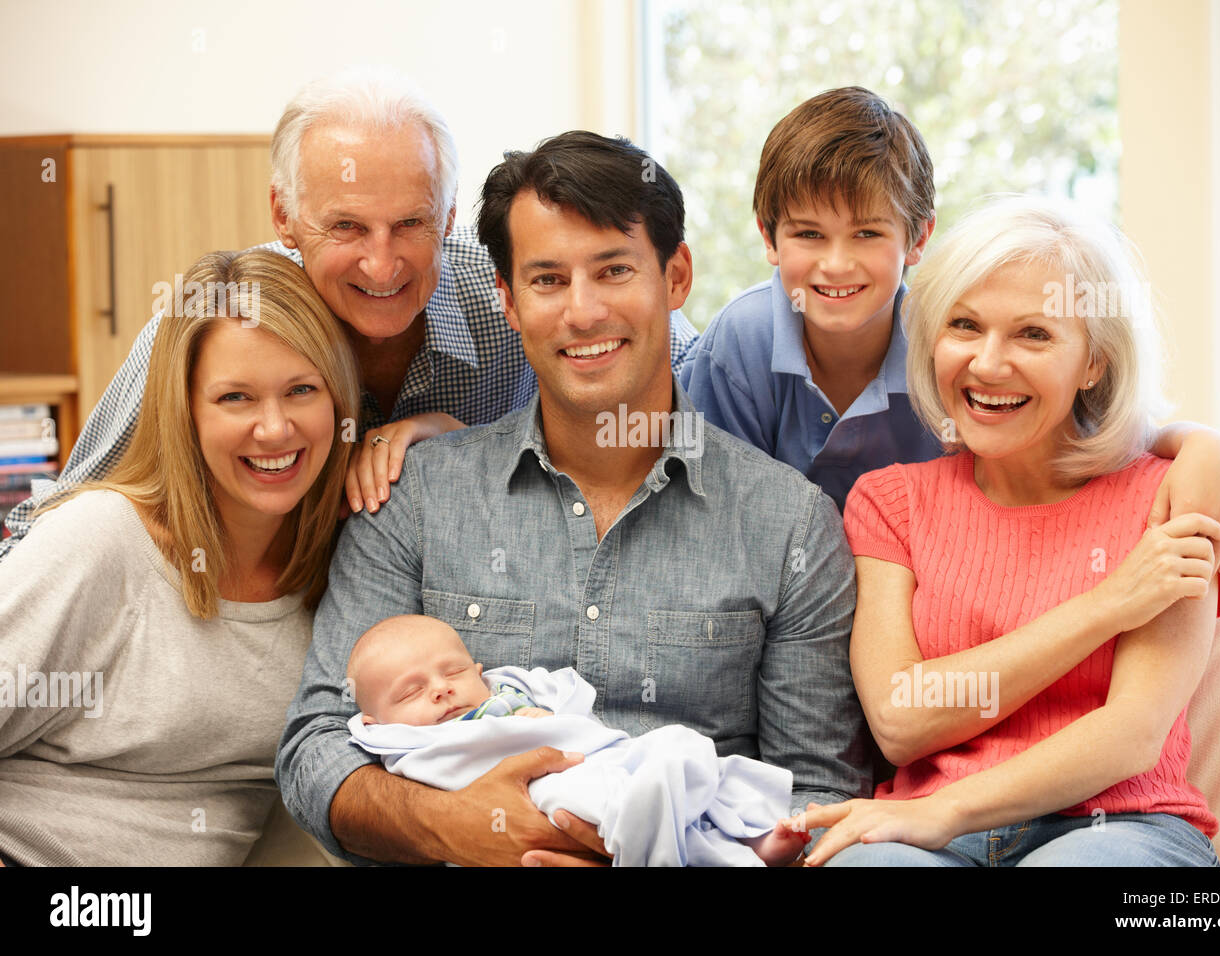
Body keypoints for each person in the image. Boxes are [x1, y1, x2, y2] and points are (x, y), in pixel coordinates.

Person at [276, 130, 870, 868]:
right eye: (548, 280)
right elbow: (315, 748)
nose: (583, 313)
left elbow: (817, 795)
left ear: (675, 276)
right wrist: (452, 825)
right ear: (508, 299)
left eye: (614, 270)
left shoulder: (790, 525)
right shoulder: (415, 498)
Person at [0, 68, 698, 561]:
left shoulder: (516, 295)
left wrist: (455, 444)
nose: (382, 263)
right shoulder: (216, 325)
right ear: (285, 215)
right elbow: (51, 522)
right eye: (346, 229)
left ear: (449, 214)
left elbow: (677, 354)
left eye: (411, 223)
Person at [796, 196, 1220, 867]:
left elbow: (1132, 733)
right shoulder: (890, 503)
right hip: (930, 834)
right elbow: (900, 720)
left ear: (1094, 363)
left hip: (1119, 828)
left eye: (1034, 334)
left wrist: (947, 809)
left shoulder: (1168, 496)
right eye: (964, 326)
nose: (989, 364)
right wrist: (1109, 603)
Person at [679, 88, 1220, 575]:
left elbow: (1094, 428)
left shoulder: (950, 344)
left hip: (911, 599)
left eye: (868, 234)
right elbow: (710, 511)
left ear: (918, 238)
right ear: (769, 238)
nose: (837, 265)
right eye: (809, 235)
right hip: (788, 604)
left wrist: (1208, 446)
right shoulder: (743, 339)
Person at [0, 250, 360, 866]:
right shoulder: (102, 538)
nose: (274, 429)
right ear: (184, 410)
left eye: (301, 390)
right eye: (236, 398)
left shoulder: (344, 566)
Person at [345, 615, 808, 866]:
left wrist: (541, 712)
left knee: (681, 752)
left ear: (479, 671)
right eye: (410, 692)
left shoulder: (511, 690)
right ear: (376, 722)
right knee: (617, 800)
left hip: (600, 756)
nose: (440, 689)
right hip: (537, 794)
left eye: (453, 671)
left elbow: (571, 698)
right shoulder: (412, 747)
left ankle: (747, 834)